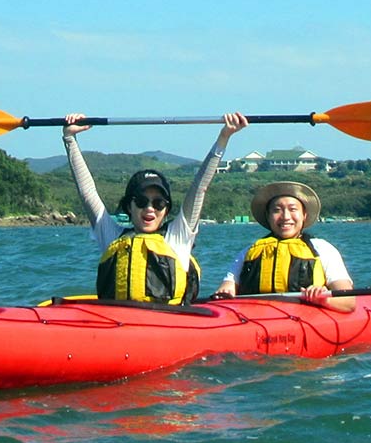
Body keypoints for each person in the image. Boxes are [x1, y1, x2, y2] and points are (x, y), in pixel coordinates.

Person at [64, 110, 248, 304]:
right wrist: (70, 138)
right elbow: (87, 192)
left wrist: (224, 137)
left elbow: (200, 186)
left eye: (158, 203)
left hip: (165, 324)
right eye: (142, 202)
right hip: (117, 323)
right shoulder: (111, 236)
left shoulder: (178, 236)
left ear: (166, 210)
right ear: (129, 206)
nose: (150, 208)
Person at [213, 179, 355, 312]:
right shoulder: (249, 252)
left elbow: (348, 302)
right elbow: (227, 288)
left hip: (306, 321)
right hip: (255, 322)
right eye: (277, 210)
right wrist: (226, 292)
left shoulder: (322, 249)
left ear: (304, 215)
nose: (286, 216)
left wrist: (323, 300)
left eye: (293, 209)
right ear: (268, 216)